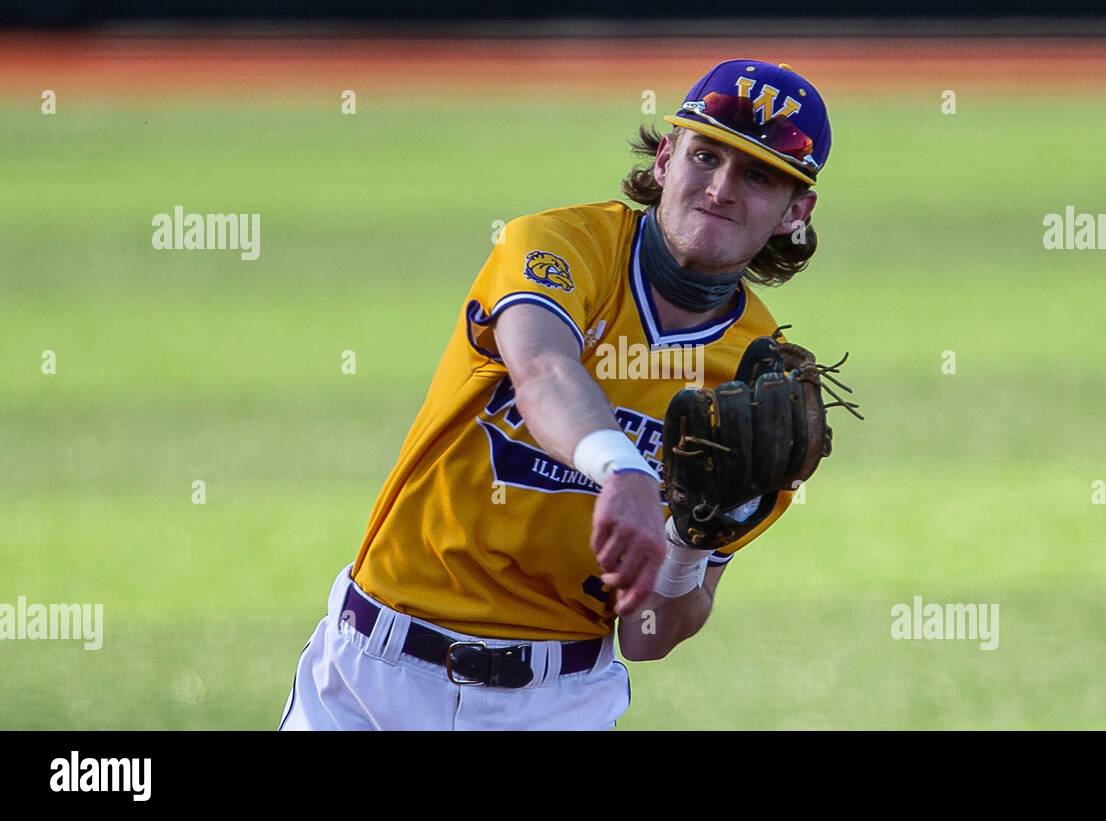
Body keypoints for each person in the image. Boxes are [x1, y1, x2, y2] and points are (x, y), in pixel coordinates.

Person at [279, 58, 832, 730]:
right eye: (705, 155)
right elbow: (541, 366)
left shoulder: (756, 378)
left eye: (757, 174)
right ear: (665, 159)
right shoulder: (561, 246)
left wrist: (690, 546)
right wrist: (623, 467)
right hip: (370, 677)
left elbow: (647, 636)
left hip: (556, 702)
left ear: (794, 211)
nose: (719, 188)